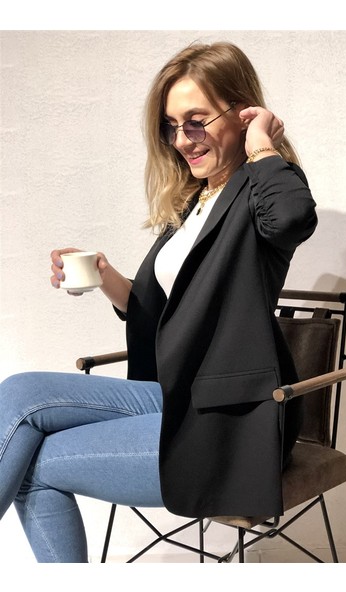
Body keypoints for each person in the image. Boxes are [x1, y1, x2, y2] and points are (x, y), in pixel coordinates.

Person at [0, 41, 317, 562]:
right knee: (18, 393)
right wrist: (103, 275)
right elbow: (159, 311)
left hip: (229, 418)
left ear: (241, 112)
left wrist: (263, 143)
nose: (182, 140)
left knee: (31, 461)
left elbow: (292, 219)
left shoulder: (262, 189)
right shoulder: (196, 202)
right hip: (173, 397)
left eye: (196, 121)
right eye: (171, 126)